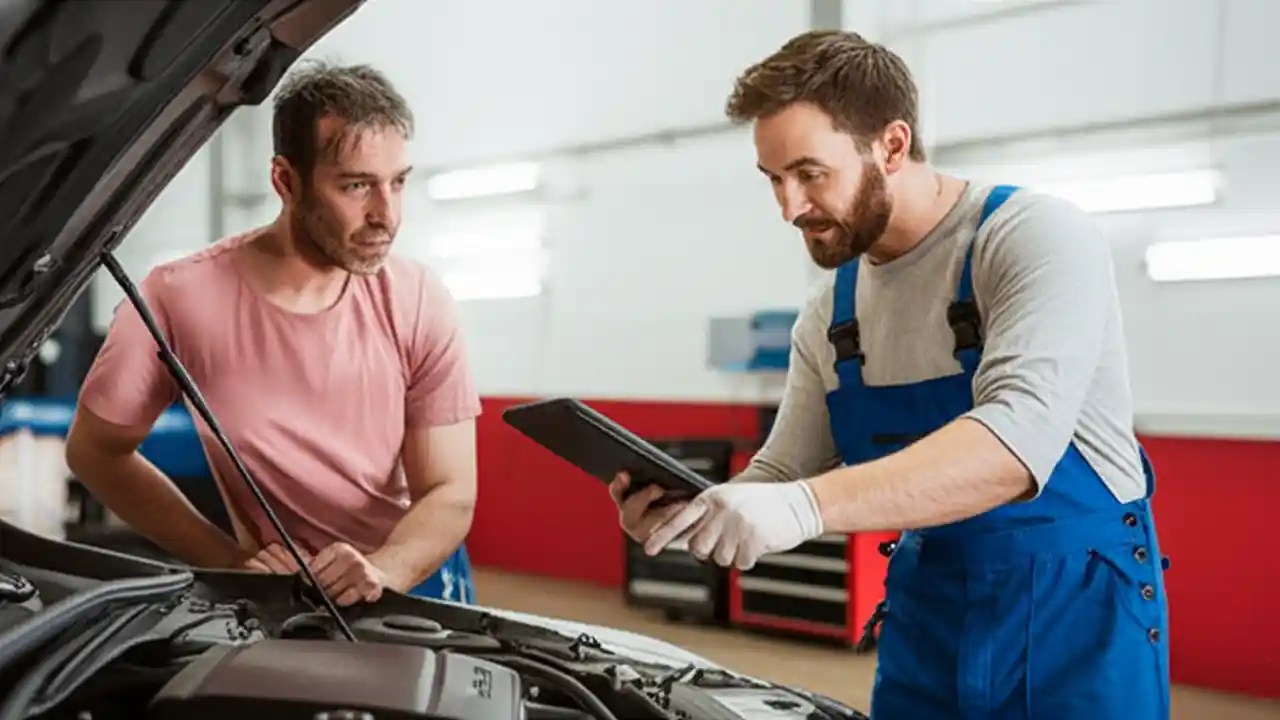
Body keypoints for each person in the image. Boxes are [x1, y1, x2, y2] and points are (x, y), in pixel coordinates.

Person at [611, 30, 1169, 719]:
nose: (789, 207)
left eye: (810, 173)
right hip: (927, 626)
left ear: (892, 145)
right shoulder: (830, 312)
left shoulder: (1032, 238)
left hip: (1076, 626)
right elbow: (783, 473)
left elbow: (1014, 447)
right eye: (774, 179)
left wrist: (805, 508)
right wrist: (697, 510)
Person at [65, 61, 482, 607]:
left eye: (397, 182)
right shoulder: (176, 299)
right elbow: (95, 451)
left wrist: (384, 571)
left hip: (418, 578)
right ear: (286, 181)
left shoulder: (417, 297)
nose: (387, 215)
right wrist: (227, 562)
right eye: (357, 186)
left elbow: (449, 489)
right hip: (280, 595)